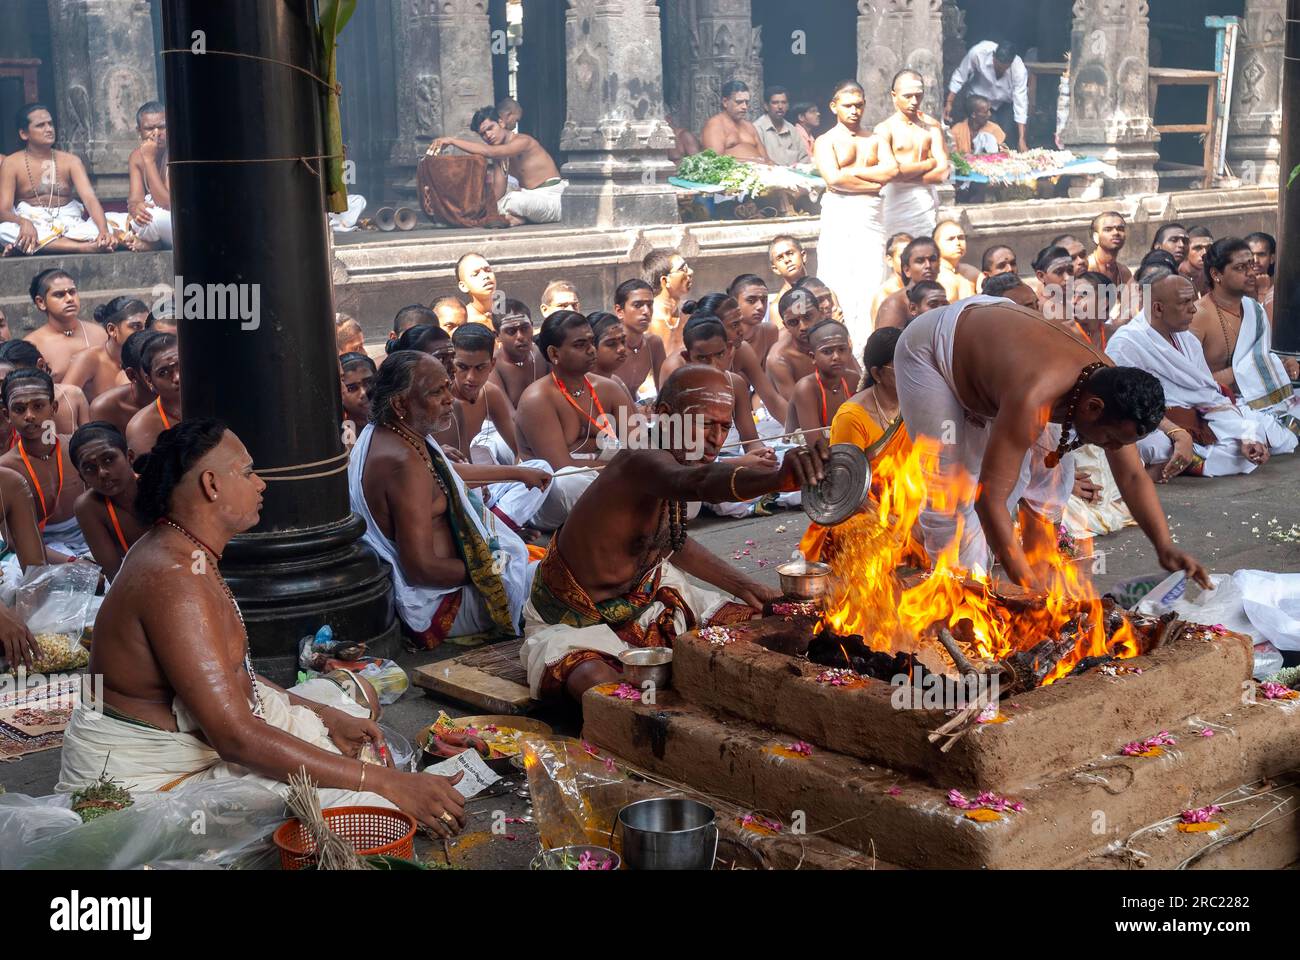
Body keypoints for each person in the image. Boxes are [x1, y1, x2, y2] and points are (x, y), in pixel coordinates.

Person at [57, 417, 469, 834]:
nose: (261, 485)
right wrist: (388, 783)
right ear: (212, 485)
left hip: (213, 734)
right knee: (375, 812)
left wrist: (325, 715)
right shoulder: (173, 579)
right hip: (151, 777)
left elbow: (235, 673)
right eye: (249, 472)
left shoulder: (187, 551)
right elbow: (235, 739)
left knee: (352, 697)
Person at [520, 364, 828, 700]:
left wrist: (746, 586)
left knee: (777, 628)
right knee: (599, 684)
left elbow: (670, 541)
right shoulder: (640, 460)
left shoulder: (678, 459)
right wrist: (777, 479)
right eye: (706, 423)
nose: (716, 437)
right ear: (666, 417)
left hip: (650, 601)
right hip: (574, 623)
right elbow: (696, 482)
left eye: (725, 426)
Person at [894, 293, 1209, 586]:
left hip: (996, 342)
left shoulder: (1107, 384)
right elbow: (987, 499)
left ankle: (1039, 570)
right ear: (1093, 407)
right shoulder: (1035, 397)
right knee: (953, 492)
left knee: (1050, 471)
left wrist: (1164, 546)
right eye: (1112, 439)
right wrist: (1028, 594)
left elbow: (1131, 475)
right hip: (933, 351)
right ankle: (962, 594)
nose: (1113, 450)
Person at [1106, 273, 1296, 479]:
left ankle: (1181, 462)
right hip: (1153, 424)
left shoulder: (1187, 340)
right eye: (1185, 303)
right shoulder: (1126, 343)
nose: (1194, 309)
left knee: (1251, 434)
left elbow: (1207, 395)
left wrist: (1246, 437)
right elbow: (1129, 404)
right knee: (1156, 446)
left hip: (1195, 420)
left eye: (1193, 301)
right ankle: (1171, 461)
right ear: (1158, 308)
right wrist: (1176, 433)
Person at [799, 326, 925, 566]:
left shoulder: (915, 404)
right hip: (862, 511)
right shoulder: (852, 416)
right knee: (875, 550)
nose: (912, 373)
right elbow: (845, 490)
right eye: (901, 368)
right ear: (877, 373)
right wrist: (892, 522)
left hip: (905, 505)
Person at [516, 311, 634, 531]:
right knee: (570, 483)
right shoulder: (538, 398)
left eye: (591, 342)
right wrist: (623, 467)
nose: (591, 350)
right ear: (554, 353)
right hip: (547, 495)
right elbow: (560, 467)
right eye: (580, 345)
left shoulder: (609, 388)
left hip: (608, 477)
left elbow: (637, 444)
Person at [814, 80, 897, 349]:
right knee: (837, 274)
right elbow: (833, 178)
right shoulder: (826, 141)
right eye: (848, 105)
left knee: (872, 275)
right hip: (840, 212)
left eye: (859, 105)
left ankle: (868, 343)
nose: (854, 111)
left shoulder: (875, 139)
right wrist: (872, 182)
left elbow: (891, 171)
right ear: (833, 106)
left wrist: (852, 174)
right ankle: (839, 339)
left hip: (870, 215)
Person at [1191, 237, 1300, 412]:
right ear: (1216, 274)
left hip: (1258, 403)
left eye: (1250, 265)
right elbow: (1189, 383)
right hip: (1215, 409)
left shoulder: (1254, 309)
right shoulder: (1197, 316)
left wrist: (1285, 363)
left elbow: (1262, 357)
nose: (1251, 272)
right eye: (1240, 268)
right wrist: (1245, 371)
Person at [0, 104, 121, 255]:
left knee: (107, 228)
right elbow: (3, 211)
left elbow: (89, 199)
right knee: (4, 230)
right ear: (24, 134)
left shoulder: (71, 161)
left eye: (50, 124)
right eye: (40, 125)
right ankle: (82, 247)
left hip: (70, 222)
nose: (49, 129)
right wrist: (24, 222)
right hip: (33, 222)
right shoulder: (11, 163)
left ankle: (39, 247)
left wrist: (104, 231)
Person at [0, 367, 88, 560]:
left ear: (54, 408)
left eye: (38, 406)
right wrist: (72, 563)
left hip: (93, 536)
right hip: (37, 551)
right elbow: (13, 541)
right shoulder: (4, 470)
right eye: (19, 409)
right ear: (7, 414)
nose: (29, 415)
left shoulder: (78, 447)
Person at [428, 106, 565, 226]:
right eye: (483, 134)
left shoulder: (523, 141)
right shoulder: (500, 155)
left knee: (514, 200)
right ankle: (520, 219)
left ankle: (521, 218)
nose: (488, 135)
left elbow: (489, 152)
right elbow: (498, 193)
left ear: (501, 123)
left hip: (553, 197)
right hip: (531, 199)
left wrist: (452, 140)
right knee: (495, 207)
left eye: (490, 128)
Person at [876, 71, 948, 245]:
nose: (914, 102)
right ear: (894, 96)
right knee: (895, 250)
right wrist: (929, 163)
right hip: (895, 200)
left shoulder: (931, 127)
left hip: (923, 200)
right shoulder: (885, 129)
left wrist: (904, 175)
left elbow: (942, 173)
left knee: (924, 249)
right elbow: (891, 172)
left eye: (918, 96)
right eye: (907, 96)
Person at [70, 421, 145, 581]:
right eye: (90, 468)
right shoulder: (88, 507)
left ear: (130, 457)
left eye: (109, 459)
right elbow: (114, 575)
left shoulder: (158, 484)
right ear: (83, 478)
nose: (102, 473)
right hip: (137, 581)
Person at [23, 269, 108, 382]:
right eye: (59, 295)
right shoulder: (32, 345)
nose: (69, 299)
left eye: (72, 292)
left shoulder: (100, 334)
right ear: (41, 302)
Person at [945, 40, 1029, 152]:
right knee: (973, 135)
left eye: (1005, 68)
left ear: (1011, 63)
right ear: (993, 56)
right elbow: (960, 76)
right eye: (998, 67)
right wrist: (949, 103)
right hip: (978, 101)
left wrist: (1022, 139)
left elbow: (1021, 103)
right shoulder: (978, 53)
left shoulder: (1019, 70)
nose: (1001, 70)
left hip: (1004, 104)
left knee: (1004, 138)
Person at [64, 297, 151, 402]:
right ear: (112, 330)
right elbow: (64, 401)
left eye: (147, 327)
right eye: (136, 326)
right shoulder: (89, 359)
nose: (144, 332)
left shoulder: (150, 358)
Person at [0, 338, 90, 437]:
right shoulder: (8, 408)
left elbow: (88, 442)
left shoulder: (72, 395)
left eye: (23, 376)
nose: (18, 387)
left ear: (41, 365)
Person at [785, 319, 856, 435]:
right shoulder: (806, 388)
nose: (836, 357)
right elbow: (816, 445)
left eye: (842, 349)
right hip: (805, 450)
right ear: (812, 357)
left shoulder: (853, 379)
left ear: (849, 350)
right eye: (827, 352)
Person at [88, 329, 158, 434]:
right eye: (162, 370)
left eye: (177, 366)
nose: (176, 377)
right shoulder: (106, 407)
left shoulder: (182, 395)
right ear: (131, 374)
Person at [124, 332, 180, 456]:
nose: (177, 378)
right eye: (163, 372)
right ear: (149, 381)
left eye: (181, 366)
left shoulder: (218, 401)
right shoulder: (141, 427)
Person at [126, 101, 171, 250]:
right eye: (149, 128)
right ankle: (153, 242)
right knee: (118, 219)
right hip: (153, 220)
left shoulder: (177, 154)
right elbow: (133, 201)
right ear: (139, 131)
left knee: (155, 218)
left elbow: (167, 203)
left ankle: (153, 243)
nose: (156, 133)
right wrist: (136, 209)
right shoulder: (136, 157)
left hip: (178, 222)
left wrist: (149, 160)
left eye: (162, 127)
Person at [612, 279, 666, 403]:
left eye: (650, 304)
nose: (646, 311)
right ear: (619, 311)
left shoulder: (654, 344)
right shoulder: (607, 347)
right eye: (637, 305)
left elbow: (664, 393)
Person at [766, 287, 823, 403]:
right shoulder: (779, 359)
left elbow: (860, 384)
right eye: (793, 322)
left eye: (807, 317)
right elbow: (798, 408)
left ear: (820, 314)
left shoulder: (834, 337)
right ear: (785, 325)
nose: (803, 327)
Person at [488, 300, 548, 407]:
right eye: (511, 331)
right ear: (497, 335)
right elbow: (507, 414)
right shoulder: (493, 366)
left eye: (525, 328)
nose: (520, 336)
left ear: (532, 327)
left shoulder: (543, 354)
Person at [875, 237, 942, 330]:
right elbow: (886, 343)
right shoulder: (895, 304)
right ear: (907, 270)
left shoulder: (941, 297)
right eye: (920, 261)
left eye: (932, 259)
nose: (928, 265)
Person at [701, 80, 769, 162]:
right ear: (725, 102)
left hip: (762, 171)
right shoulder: (715, 125)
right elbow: (714, 161)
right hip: (733, 173)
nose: (744, 107)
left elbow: (766, 159)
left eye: (746, 102)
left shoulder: (749, 126)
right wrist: (751, 161)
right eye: (739, 102)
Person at [642, 248, 693, 357]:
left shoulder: (689, 315)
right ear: (665, 281)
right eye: (683, 269)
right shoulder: (645, 322)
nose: (690, 272)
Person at [729, 273, 780, 368]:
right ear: (734, 302)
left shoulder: (769, 331)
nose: (760, 307)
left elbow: (767, 376)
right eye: (751, 300)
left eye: (764, 300)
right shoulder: (724, 336)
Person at [755, 86, 811, 166]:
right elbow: (757, 161)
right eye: (775, 103)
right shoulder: (757, 128)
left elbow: (804, 161)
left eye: (783, 102)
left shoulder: (792, 130)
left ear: (788, 106)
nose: (780, 107)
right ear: (766, 106)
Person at [867, 232, 915, 324]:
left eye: (913, 255)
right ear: (889, 260)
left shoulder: (921, 289)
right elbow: (880, 336)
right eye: (903, 256)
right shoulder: (884, 296)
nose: (909, 260)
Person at [765, 235, 809, 325]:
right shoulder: (777, 307)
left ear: (803, 256)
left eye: (790, 253)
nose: (786, 260)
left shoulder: (825, 291)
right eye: (780, 258)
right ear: (775, 269)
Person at [933, 220, 979, 301]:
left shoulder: (973, 273)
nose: (958, 243)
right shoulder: (932, 275)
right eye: (950, 239)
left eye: (961, 238)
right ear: (935, 244)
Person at [1087, 211, 1132, 285]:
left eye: (1120, 229)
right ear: (1096, 237)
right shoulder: (1087, 268)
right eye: (1108, 229)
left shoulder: (1123, 272)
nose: (1116, 233)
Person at [1033, 245, 1075, 324]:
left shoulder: (1073, 299)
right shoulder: (1044, 309)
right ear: (1041, 276)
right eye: (1059, 272)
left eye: (1070, 270)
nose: (1067, 277)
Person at [340, 351, 376, 443]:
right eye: (352, 388)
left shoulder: (397, 424)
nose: (363, 392)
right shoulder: (340, 438)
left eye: (369, 382)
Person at [455, 253, 499, 327]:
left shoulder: (509, 313)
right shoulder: (463, 321)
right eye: (475, 274)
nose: (485, 276)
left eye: (488, 270)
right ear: (463, 286)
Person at [1244, 231, 1277, 323]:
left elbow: (1267, 326)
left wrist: (1263, 293)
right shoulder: (1237, 287)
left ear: (1272, 258)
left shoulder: (1279, 289)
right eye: (1250, 255)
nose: (1255, 260)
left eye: (1261, 254)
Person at [590, 312, 628, 380]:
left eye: (623, 341)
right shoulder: (583, 387)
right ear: (591, 348)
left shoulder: (616, 381)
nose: (622, 349)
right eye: (611, 344)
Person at [1180, 226, 1213, 297]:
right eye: (1198, 248)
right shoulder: (1172, 276)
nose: (1204, 252)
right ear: (1185, 249)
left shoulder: (1214, 276)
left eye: (1209, 248)